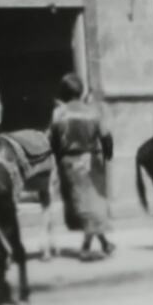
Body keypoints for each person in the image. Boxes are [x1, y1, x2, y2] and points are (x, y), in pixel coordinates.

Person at [48, 73, 114, 260]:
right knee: (93, 203)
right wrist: (107, 156)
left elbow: (52, 141)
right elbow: (106, 138)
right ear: (81, 91)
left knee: (81, 204)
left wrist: (56, 158)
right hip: (91, 162)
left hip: (69, 163)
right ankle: (89, 247)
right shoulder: (93, 111)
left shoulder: (58, 113)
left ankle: (101, 244)